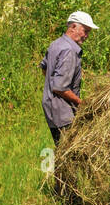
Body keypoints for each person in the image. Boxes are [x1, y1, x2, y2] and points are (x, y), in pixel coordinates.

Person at [41, 11, 97, 144]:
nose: (86, 36)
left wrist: (51, 81)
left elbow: (45, 68)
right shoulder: (69, 51)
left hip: (51, 107)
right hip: (62, 112)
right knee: (68, 154)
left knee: (62, 148)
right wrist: (80, 103)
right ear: (73, 27)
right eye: (85, 31)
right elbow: (60, 87)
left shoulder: (56, 44)